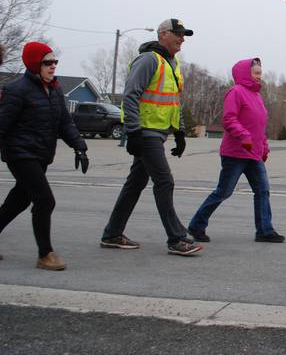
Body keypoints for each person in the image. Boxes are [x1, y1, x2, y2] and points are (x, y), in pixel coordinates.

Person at [100, 19, 203, 256]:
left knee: (135, 183)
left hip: (158, 132)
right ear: (163, 35)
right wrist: (133, 131)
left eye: (184, 35)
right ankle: (176, 238)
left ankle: (112, 233)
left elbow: (173, 101)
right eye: (178, 34)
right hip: (145, 133)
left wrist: (179, 131)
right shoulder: (149, 60)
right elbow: (131, 95)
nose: (182, 39)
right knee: (164, 182)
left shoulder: (172, 63)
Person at [0, 42, 89, 270]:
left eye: (54, 62)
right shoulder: (16, 90)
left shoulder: (55, 89)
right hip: (20, 154)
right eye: (47, 62)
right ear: (34, 64)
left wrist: (79, 146)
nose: (52, 66)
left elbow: (64, 122)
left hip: (40, 155)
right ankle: (45, 254)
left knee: (19, 199)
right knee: (44, 199)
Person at [187, 57, 284, 243]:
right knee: (224, 191)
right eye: (256, 73)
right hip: (235, 153)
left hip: (253, 154)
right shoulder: (236, 92)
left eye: (260, 73)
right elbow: (229, 120)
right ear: (245, 73)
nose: (259, 77)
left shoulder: (257, 95)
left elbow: (259, 125)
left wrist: (263, 145)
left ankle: (264, 230)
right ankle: (196, 226)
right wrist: (244, 136)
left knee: (263, 190)